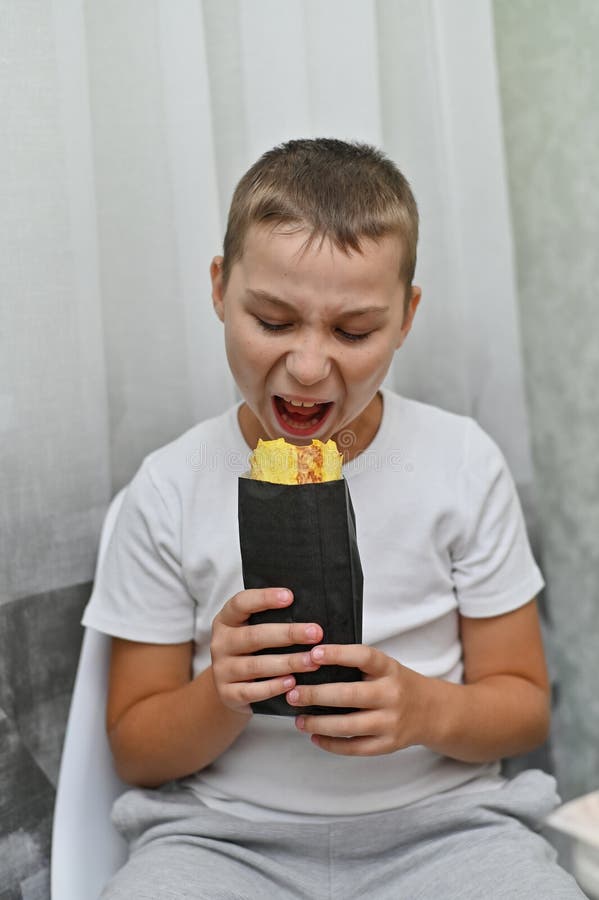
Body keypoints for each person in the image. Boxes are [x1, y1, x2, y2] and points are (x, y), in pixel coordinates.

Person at [83, 138, 585, 899]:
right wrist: (222, 689)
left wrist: (426, 710)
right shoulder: (167, 489)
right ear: (220, 290)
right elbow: (136, 750)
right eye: (273, 320)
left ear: (406, 316)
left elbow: (520, 708)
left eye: (352, 332)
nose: (310, 366)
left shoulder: (460, 463)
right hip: (225, 841)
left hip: (443, 828)